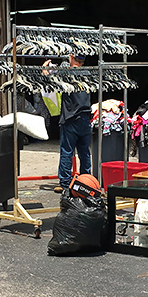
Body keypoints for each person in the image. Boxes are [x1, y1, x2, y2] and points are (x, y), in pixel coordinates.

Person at [43, 52, 92, 193]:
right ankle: (86, 181)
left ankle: (65, 183)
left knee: (67, 152)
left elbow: (49, 80)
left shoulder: (66, 74)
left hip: (70, 118)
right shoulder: (88, 74)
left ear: (71, 57)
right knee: (84, 152)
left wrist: (45, 69)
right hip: (85, 117)